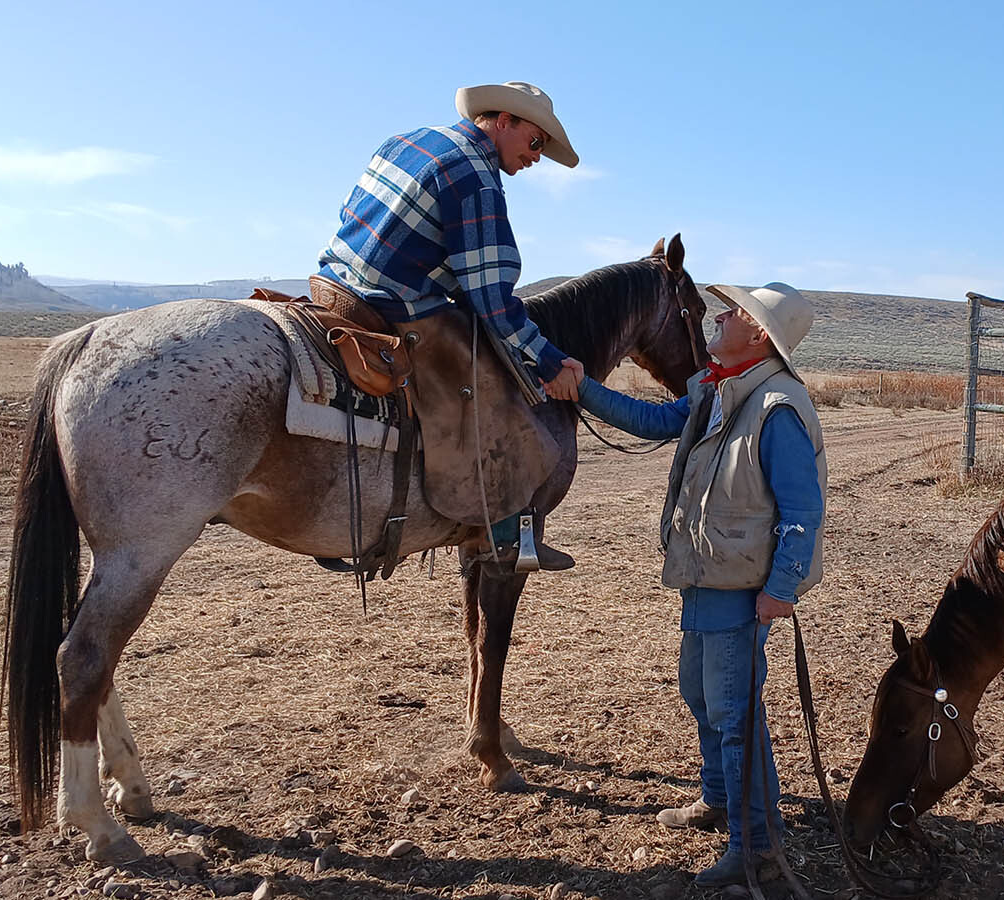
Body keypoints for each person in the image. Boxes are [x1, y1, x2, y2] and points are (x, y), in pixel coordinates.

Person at [576, 282, 827, 887]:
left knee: (733, 712)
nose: (721, 314)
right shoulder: (717, 389)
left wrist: (783, 588)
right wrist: (580, 386)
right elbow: (653, 419)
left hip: (740, 588)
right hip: (706, 575)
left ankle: (755, 847)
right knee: (702, 694)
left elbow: (803, 509)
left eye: (736, 311)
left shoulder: (778, 407)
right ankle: (720, 801)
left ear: (760, 335)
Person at [315, 80, 585, 565]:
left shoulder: (405, 140)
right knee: (497, 383)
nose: (537, 157)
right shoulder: (476, 177)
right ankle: (504, 530)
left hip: (333, 286)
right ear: (503, 120)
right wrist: (545, 360)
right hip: (396, 303)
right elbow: (490, 296)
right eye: (536, 142)